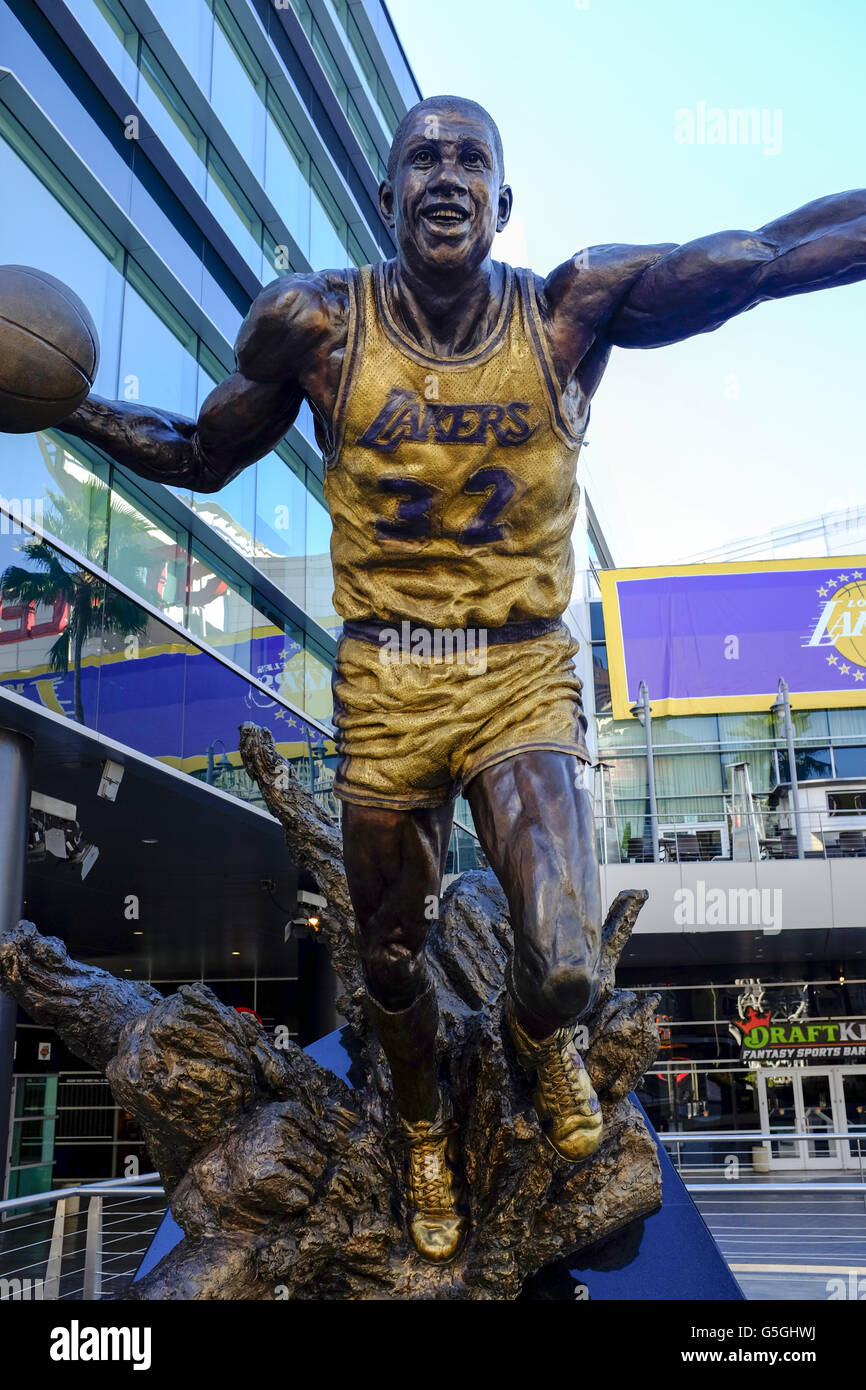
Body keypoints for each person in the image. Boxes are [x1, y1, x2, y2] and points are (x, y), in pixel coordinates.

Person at [54, 94, 866, 1263]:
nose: (445, 175)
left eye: (469, 158)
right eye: (420, 159)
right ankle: (425, 1123)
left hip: (519, 669)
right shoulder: (319, 328)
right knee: (386, 960)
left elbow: (761, 257)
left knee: (570, 961)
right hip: (387, 678)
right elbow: (198, 451)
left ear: (502, 199)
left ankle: (541, 1039)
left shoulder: (568, 311)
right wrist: (68, 405)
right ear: (383, 198)